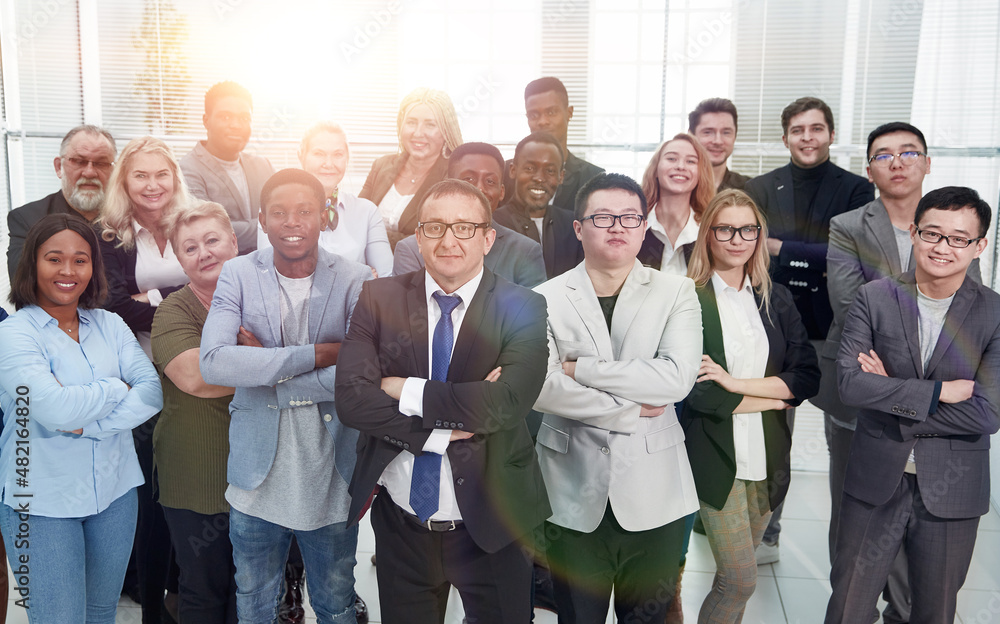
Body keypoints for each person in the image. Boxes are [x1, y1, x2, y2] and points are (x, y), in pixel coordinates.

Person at [335, 180, 551, 624]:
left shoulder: (523, 307)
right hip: (402, 524)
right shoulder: (380, 299)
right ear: (418, 237)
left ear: (488, 238)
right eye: (434, 227)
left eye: (465, 228)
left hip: (493, 523)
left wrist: (401, 388)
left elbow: (505, 404)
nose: (448, 240)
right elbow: (352, 400)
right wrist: (443, 427)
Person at [814, 122, 981, 624]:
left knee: (923, 519)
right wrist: (920, 378)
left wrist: (898, 374)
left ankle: (902, 611)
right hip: (859, 400)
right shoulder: (848, 225)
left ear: (927, 163)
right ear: (869, 170)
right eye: (883, 155)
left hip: (927, 403)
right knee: (857, 517)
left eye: (909, 152)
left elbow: (962, 313)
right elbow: (848, 306)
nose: (898, 161)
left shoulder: (956, 224)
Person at [200, 169, 371, 624]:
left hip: (330, 477)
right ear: (262, 219)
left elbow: (360, 375)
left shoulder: (356, 278)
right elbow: (215, 362)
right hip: (255, 482)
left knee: (335, 605)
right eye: (278, 212)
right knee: (255, 606)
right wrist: (318, 353)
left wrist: (266, 369)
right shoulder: (236, 273)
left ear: (324, 216)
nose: (291, 222)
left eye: (304, 211)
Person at [531, 172, 702, 623]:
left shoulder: (676, 292)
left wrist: (579, 369)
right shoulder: (543, 298)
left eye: (630, 217)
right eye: (603, 217)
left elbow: (675, 380)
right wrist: (627, 407)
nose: (617, 227)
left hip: (657, 492)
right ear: (578, 227)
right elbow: (541, 387)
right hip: (569, 490)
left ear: (645, 226)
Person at [0, 214, 162, 623]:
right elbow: (52, 408)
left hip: (115, 490)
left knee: (100, 613)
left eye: (81, 260)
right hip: (40, 498)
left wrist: (87, 421)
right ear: (32, 264)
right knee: (60, 618)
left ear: (94, 266)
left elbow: (152, 391)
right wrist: (114, 388)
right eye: (54, 259)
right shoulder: (15, 334)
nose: (68, 271)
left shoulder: (110, 323)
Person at [744, 97, 873, 563]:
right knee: (775, 435)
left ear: (832, 134)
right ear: (785, 138)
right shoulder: (761, 187)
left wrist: (784, 247)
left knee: (848, 433)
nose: (807, 137)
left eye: (816, 128)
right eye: (797, 129)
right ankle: (767, 532)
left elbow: (844, 258)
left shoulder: (858, 190)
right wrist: (806, 251)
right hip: (773, 328)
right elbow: (755, 249)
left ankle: (850, 546)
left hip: (837, 328)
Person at [681, 189, 819, 623]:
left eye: (748, 229)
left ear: (759, 236)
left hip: (768, 458)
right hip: (714, 458)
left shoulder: (773, 298)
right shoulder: (687, 298)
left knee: (735, 579)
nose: (737, 239)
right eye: (725, 229)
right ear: (708, 235)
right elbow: (696, 394)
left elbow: (808, 376)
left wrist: (733, 383)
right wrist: (775, 398)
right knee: (739, 579)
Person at [99, 135, 191, 624]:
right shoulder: (108, 236)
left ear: (174, 177)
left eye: (161, 174)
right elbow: (112, 304)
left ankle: (185, 593)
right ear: (125, 181)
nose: (152, 185)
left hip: (195, 377)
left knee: (190, 490)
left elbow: (216, 287)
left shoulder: (193, 223)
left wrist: (151, 297)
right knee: (150, 495)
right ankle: (152, 604)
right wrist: (179, 301)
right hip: (140, 381)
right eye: (141, 175)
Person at [151, 201, 240, 623]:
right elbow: (197, 379)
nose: (204, 253)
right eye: (190, 247)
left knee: (255, 588)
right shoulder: (174, 311)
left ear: (234, 242)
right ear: (179, 259)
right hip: (197, 475)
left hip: (262, 476)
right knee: (204, 592)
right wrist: (282, 368)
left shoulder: (267, 297)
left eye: (212, 240)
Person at [392, 141, 546, 287]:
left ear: (501, 192)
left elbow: (531, 313)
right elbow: (408, 311)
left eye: (490, 181)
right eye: (468, 179)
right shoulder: (411, 250)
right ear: (448, 184)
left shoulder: (525, 252)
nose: (479, 188)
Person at [258, 122, 392, 278]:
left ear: (347, 158)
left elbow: (386, 277)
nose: (329, 164)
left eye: (338, 154)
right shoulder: (274, 210)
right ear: (301, 156)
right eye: (319, 154)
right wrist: (358, 276)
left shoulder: (367, 212)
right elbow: (273, 275)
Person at [6, 125, 117, 280]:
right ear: (59, 167)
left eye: (101, 163)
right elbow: (25, 286)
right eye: (79, 161)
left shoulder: (127, 218)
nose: (90, 172)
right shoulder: (28, 219)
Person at [359, 87, 463, 248]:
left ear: (446, 132)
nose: (418, 133)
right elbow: (355, 220)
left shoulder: (454, 177)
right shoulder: (381, 165)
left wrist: (373, 237)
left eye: (430, 124)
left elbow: (433, 239)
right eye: (411, 122)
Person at [180, 81, 275, 254]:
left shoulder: (264, 166)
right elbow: (208, 231)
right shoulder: (187, 170)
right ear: (206, 121)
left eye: (244, 118)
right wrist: (272, 225)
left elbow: (287, 215)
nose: (236, 125)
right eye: (225, 117)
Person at [502, 76, 605, 208]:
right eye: (534, 115)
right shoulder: (504, 173)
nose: (542, 121)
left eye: (551, 112)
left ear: (569, 113)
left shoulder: (593, 178)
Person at [494, 132, 584, 279]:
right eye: (529, 168)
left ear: (561, 176)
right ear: (513, 170)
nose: (540, 178)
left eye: (550, 171)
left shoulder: (574, 227)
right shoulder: (493, 224)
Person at [637, 133, 716, 275]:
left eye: (691, 161)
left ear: (700, 173)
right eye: (672, 158)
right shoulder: (632, 225)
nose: (680, 166)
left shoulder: (711, 232)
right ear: (655, 169)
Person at [688, 98, 752, 192]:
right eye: (708, 132)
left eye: (726, 133)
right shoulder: (678, 186)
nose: (718, 141)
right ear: (691, 136)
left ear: (734, 137)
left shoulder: (751, 189)